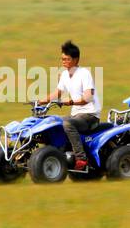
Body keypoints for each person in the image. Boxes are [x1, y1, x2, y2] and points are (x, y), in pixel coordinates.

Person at [39, 40, 101, 170]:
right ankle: (54, 154)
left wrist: (71, 102)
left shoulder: (84, 74)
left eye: (67, 59)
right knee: (52, 122)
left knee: (68, 124)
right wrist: (41, 101)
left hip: (90, 116)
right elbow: (58, 93)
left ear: (76, 60)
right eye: (62, 59)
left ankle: (81, 159)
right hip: (76, 115)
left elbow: (88, 97)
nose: (63, 62)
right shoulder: (64, 75)